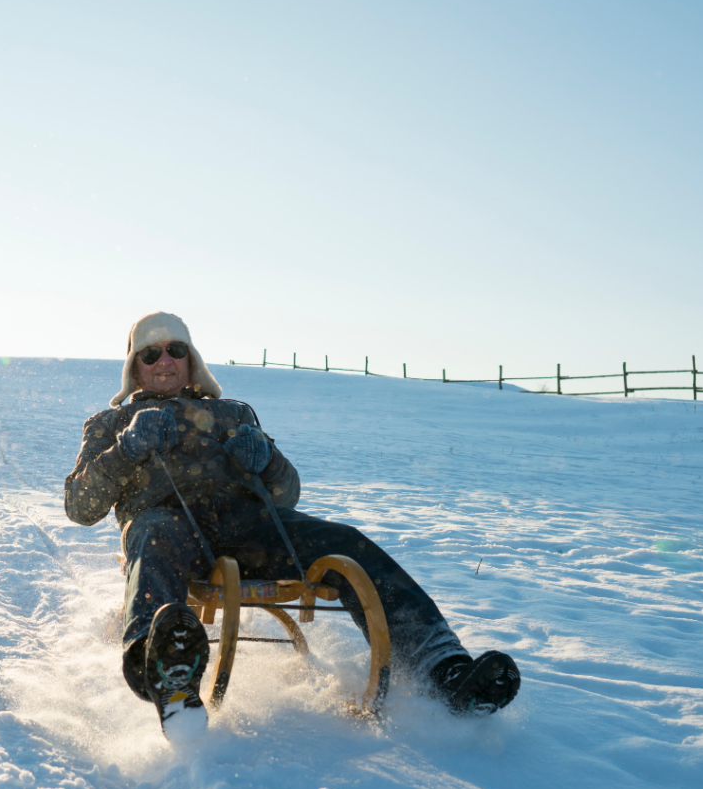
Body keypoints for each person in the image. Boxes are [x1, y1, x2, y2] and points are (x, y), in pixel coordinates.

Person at [65, 312, 520, 739]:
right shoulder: (110, 423)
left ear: (191, 360)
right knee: (152, 532)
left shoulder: (232, 413)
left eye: (175, 350)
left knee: (344, 543)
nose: (164, 361)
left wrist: (266, 459)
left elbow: (286, 493)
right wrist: (126, 449)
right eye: (150, 354)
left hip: (252, 528)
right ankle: (163, 671)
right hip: (170, 529)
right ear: (134, 367)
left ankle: (445, 670)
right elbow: (80, 506)